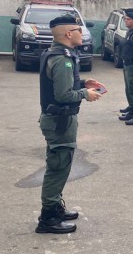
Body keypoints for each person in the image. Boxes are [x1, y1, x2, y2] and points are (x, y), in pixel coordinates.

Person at [36, 15, 105, 234]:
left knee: (61, 165)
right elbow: (63, 94)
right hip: (59, 121)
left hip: (59, 120)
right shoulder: (62, 59)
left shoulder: (58, 54)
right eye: (78, 30)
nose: (81, 33)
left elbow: (60, 83)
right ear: (68, 33)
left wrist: (83, 83)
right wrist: (85, 93)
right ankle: (48, 218)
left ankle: (55, 206)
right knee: (57, 168)